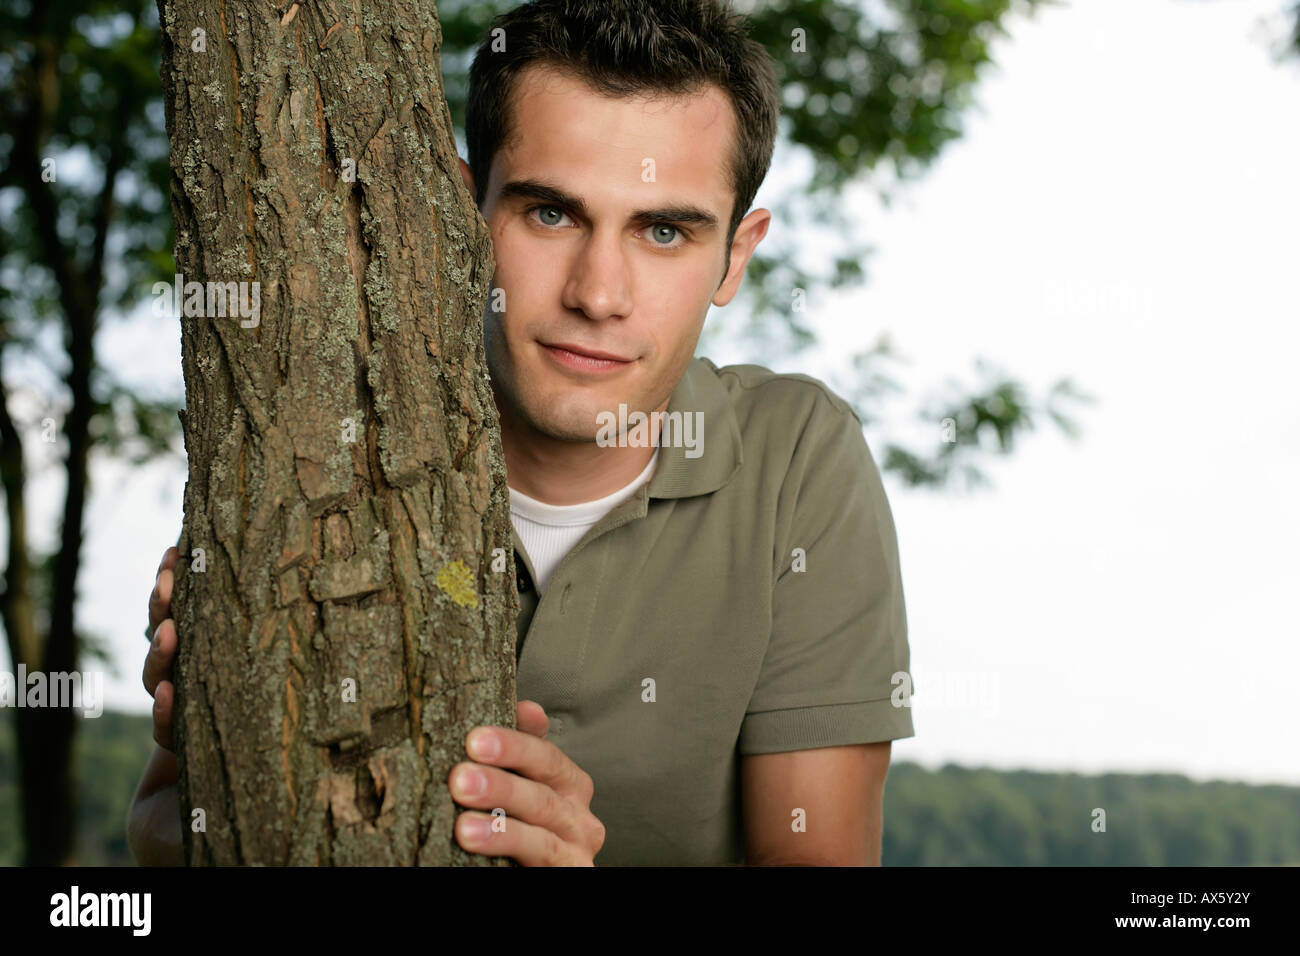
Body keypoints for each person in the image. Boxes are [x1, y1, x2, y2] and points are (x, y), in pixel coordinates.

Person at [128, 0, 914, 867]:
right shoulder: (328, 428)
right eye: (551, 214)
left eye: (662, 231)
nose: (598, 293)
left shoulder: (799, 457)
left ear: (734, 256)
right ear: (458, 215)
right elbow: (161, 828)